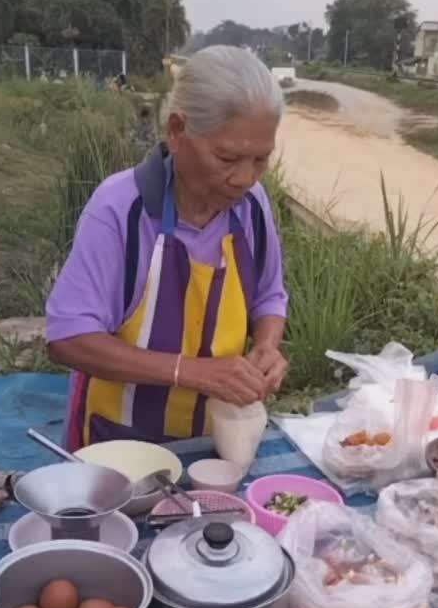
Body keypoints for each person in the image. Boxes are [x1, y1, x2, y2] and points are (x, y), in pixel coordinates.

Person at [47, 46, 289, 450]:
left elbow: (270, 296)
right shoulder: (120, 210)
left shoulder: (253, 207)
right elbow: (68, 337)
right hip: (119, 447)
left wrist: (266, 347)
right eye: (228, 157)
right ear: (178, 131)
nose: (245, 178)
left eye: (261, 160)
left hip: (215, 446)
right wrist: (187, 371)